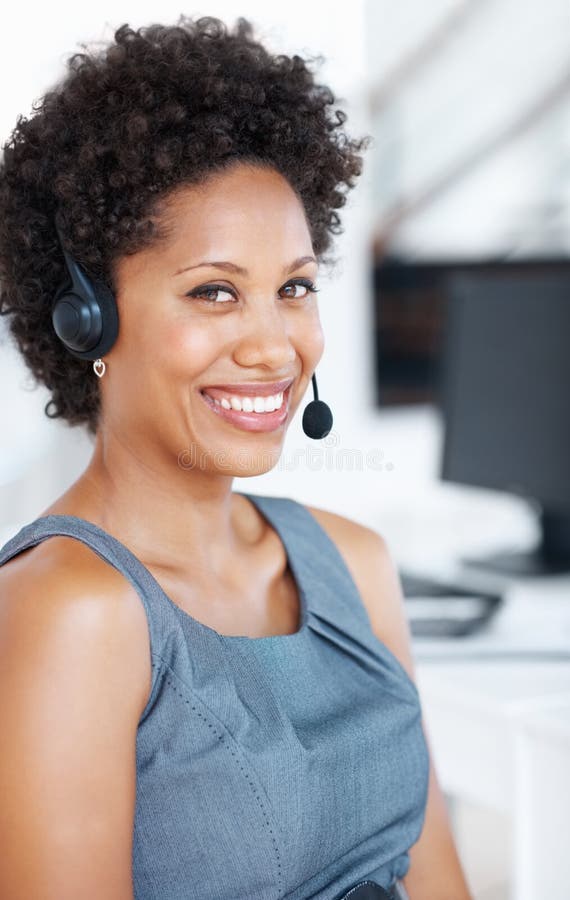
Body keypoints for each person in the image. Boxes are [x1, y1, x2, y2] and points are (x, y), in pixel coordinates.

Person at [0, 15, 472, 900]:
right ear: (87, 320)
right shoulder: (73, 610)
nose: (273, 347)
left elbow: (436, 878)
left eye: (293, 288)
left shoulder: (352, 563)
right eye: (214, 292)